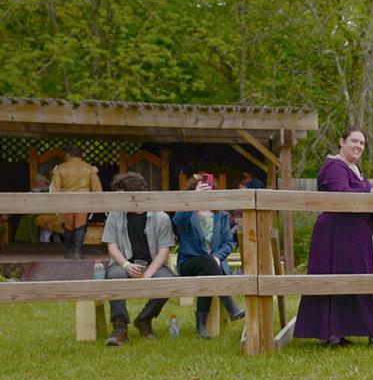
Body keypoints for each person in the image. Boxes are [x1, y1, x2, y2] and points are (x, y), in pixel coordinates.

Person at [292, 128, 373, 348]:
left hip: (353, 235)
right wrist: (371, 192)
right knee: (339, 280)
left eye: (362, 143)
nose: (358, 146)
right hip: (335, 235)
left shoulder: (354, 168)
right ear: (342, 142)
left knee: (361, 281)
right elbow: (342, 194)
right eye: (354, 141)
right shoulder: (333, 167)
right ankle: (339, 335)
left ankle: (350, 333)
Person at [101, 172, 176, 345]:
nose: (117, 200)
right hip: (123, 263)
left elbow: (164, 250)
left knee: (168, 280)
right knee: (115, 276)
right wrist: (126, 265)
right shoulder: (114, 215)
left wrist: (148, 274)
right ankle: (120, 327)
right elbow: (111, 245)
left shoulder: (161, 217)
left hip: (152, 265)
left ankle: (144, 319)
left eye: (121, 195)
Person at [173, 175, 244, 339]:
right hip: (189, 263)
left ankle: (201, 326)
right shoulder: (187, 214)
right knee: (206, 261)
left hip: (214, 266)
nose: (205, 192)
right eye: (200, 189)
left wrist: (218, 257)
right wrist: (194, 198)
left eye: (208, 189)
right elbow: (178, 221)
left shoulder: (222, 216)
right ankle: (231, 306)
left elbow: (228, 243)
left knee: (207, 272)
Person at [49, 145, 102, 259]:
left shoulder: (60, 168)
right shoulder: (89, 168)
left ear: (68, 155)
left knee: (68, 225)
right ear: (81, 155)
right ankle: (77, 252)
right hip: (83, 199)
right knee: (80, 225)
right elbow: (97, 188)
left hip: (66, 200)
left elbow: (55, 189)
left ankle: (68, 252)